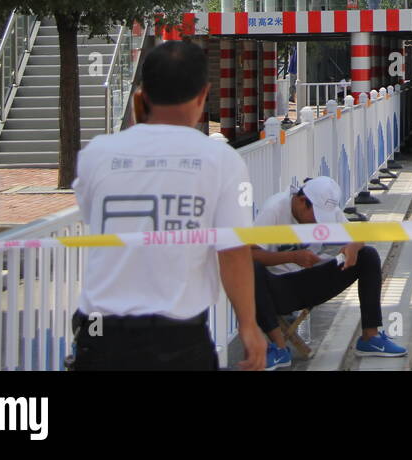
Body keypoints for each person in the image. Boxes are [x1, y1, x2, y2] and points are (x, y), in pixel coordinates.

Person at [70, 41, 266, 371]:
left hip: (99, 334)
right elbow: (233, 252)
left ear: (141, 95)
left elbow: (94, 216)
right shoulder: (221, 160)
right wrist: (248, 324)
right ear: (204, 95)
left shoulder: (97, 153)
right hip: (178, 338)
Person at [252, 176, 405, 368]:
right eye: (315, 216)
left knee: (368, 255)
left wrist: (353, 247)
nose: (317, 222)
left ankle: (370, 336)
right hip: (277, 288)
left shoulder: (327, 208)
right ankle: (279, 347)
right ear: (301, 201)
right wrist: (292, 257)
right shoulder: (274, 209)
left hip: (310, 280)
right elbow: (251, 253)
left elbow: (359, 237)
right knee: (250, 268)